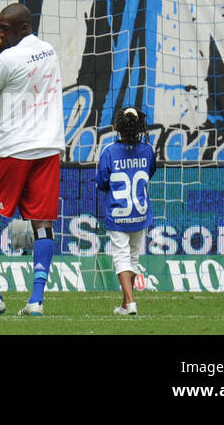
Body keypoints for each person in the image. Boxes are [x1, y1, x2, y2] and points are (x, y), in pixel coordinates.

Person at [0, 3, 65, 317]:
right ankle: (36, 301)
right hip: (47, 148)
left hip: (12, 150)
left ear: (22, 28)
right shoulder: (48, 51)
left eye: (5, 29)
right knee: (42, 224)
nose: (0, 34)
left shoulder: (7, 59)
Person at [97, 105, 156, 317]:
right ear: (140, 126)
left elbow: (102, 181)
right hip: (140, 213)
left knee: (121, 257)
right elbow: (150, 172)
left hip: (118, 213)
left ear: (116, 127)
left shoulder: (109, 151)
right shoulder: (148, 150)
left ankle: (130, 302)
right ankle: (124, 304)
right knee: (133, 257)